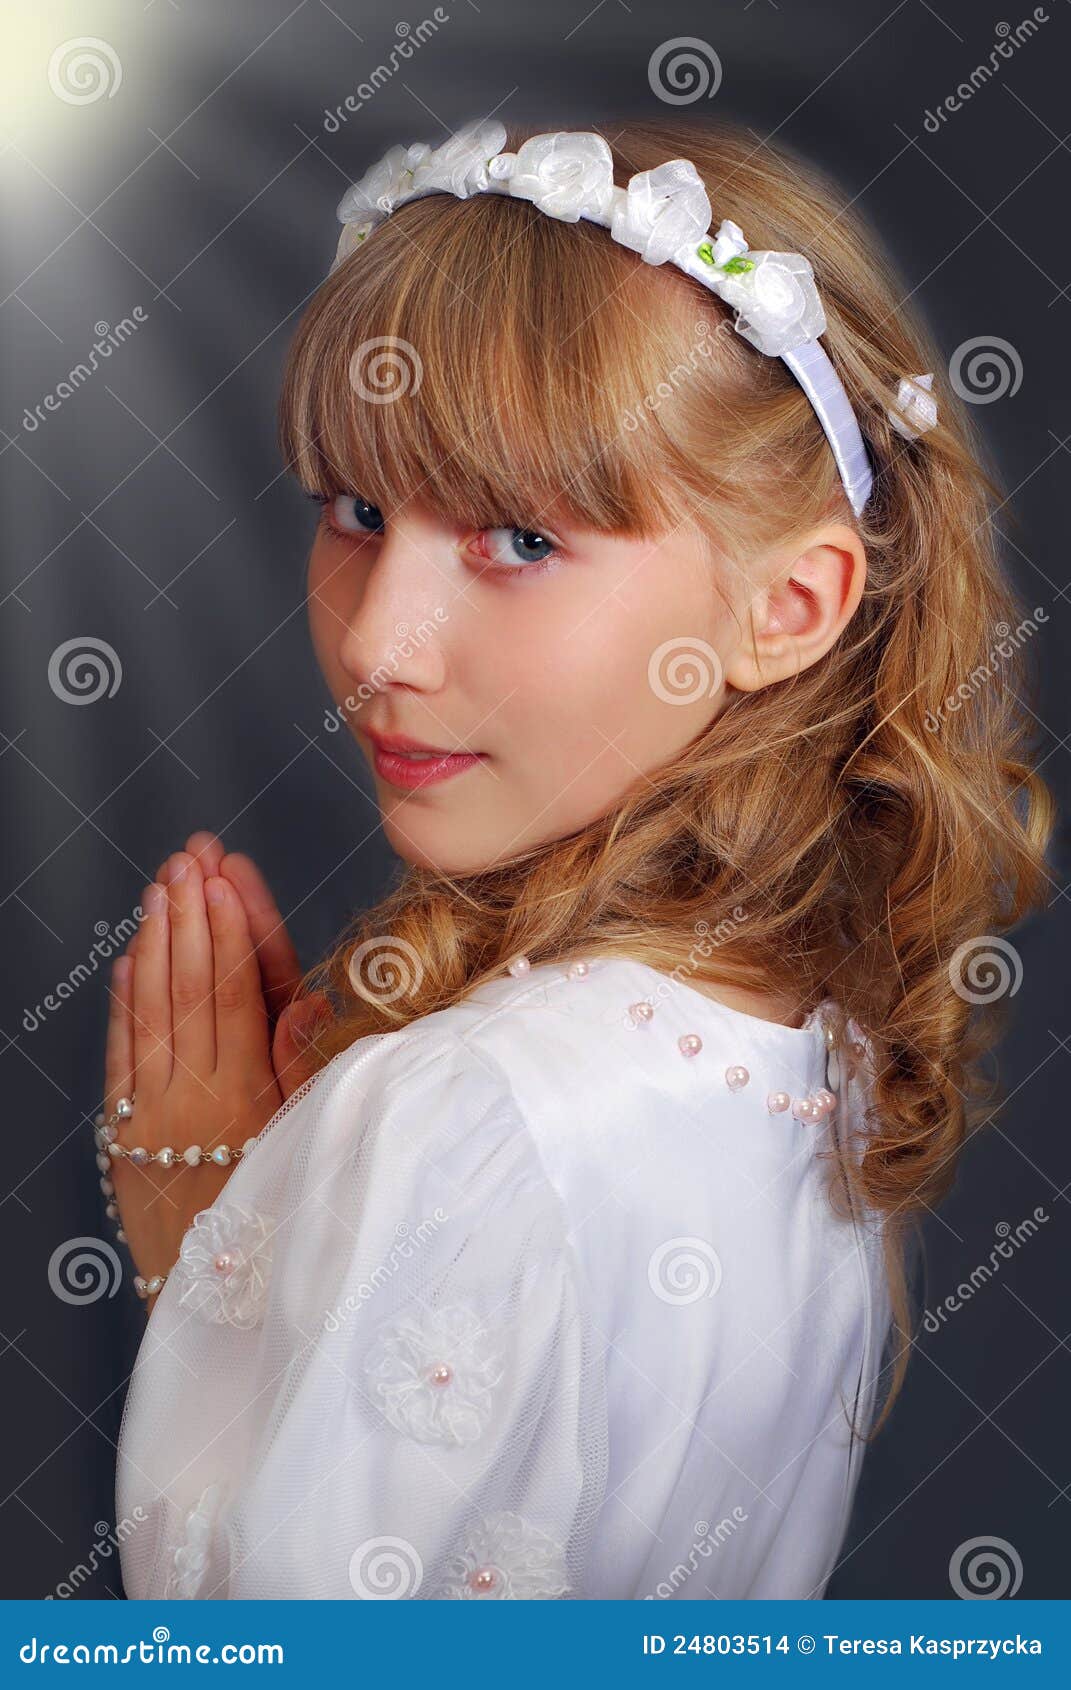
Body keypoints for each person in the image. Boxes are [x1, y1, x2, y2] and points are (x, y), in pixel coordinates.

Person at [104, 118, 1051, 1600]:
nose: (377, 644)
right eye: (357, 511)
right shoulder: (813, 1049)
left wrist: (205, 1247)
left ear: (787, 608)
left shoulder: (461, 1113)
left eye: (520, 541)